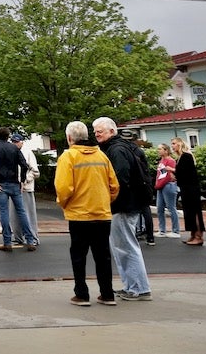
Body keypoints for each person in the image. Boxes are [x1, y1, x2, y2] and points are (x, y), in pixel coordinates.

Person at [55, 120, 119, 307]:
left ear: (69, 138)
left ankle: (82, 294)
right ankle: (107, 294)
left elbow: (63, 188)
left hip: (79, 215)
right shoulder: (101, 156)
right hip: (102, 214)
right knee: (103, 256)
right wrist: (105, 201)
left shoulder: (68, 157)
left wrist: (64, 204)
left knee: (78, 256)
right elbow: (114, 185)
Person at [92, 117, 152, 300]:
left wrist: (110, 200)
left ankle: (138, 289)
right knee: (123, 246)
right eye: (95, 131)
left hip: (123, 205)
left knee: (125, 247)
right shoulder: (123, 147)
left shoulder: (116, 150)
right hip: (129, 203)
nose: (96, 134)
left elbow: (120, 179)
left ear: (111, 131)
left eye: (99, 131)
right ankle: (132, 286)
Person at [0, 126, 37, 252]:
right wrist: (22, 181)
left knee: (4, 212)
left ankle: (7, 242)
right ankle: (30, 240)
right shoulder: (14, 148)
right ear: (8, 136)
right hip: (14, 183)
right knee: (21, 211)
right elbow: (24, 165)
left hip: (0, 184)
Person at [9, 133, 41, 247]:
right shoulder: (12, 152)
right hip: (14, 187)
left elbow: (35, 171)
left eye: (17, 142)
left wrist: (25, 180)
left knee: (28, 214)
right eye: (13, 142)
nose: (15, 144)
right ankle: (17, 237)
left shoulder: (27, 152)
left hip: (26, 188)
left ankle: (33, 237)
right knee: (14, 214)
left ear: (22, 142)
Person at [172, 136, 204, 246]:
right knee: (188, 212)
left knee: (194, 211)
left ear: (180, 144)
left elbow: (187, 173)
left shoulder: (186, 156)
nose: (172, 146)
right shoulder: (179, 158)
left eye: (174, 143)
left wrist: (174, 172)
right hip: (185, 187)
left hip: (191, 188)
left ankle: (198, 236)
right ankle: (193, 233)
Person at [153, 142, 181, 238]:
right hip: (161, 186)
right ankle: (162, 230)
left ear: (166, 150)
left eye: (160, 149)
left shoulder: (170, 161)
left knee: (171, 208)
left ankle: (176, 231)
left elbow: (169, 175)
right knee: (159, 208)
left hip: (168, 185)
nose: (158, 151)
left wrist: (159, 184)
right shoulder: (162, 160)